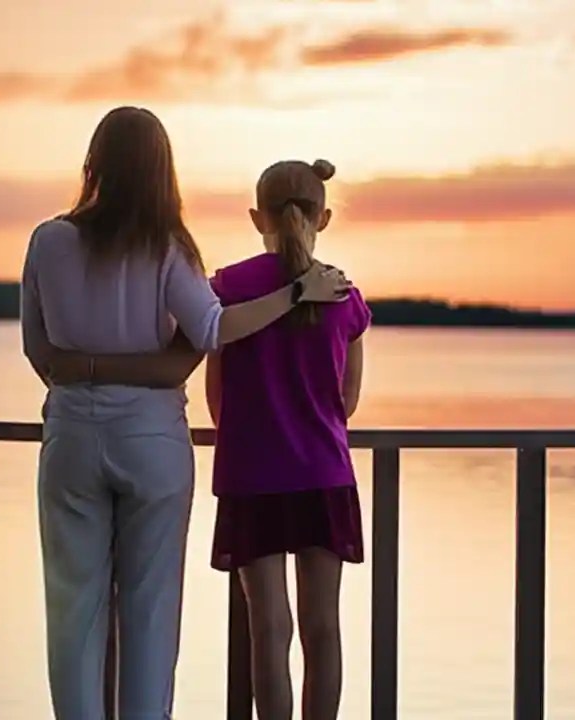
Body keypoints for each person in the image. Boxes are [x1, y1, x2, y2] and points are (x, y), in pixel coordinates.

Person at [19, 107, 351, 720]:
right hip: (152, 441)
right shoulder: (168, 248)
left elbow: (40, 352)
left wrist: (86, 372)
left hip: (69, 435)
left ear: (92, 165)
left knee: (72, 608)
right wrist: (297, 292)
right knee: (150, 607)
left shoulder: (48, 241)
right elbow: (213, 330)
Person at [205, 159, 369, 720]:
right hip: (323, 474)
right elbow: (346, 402)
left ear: (258, 218)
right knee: (323, 629)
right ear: (322, 218)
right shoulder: (343, 295)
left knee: (268, 630)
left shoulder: (229, 287)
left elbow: (216, 398)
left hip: (252, 476)